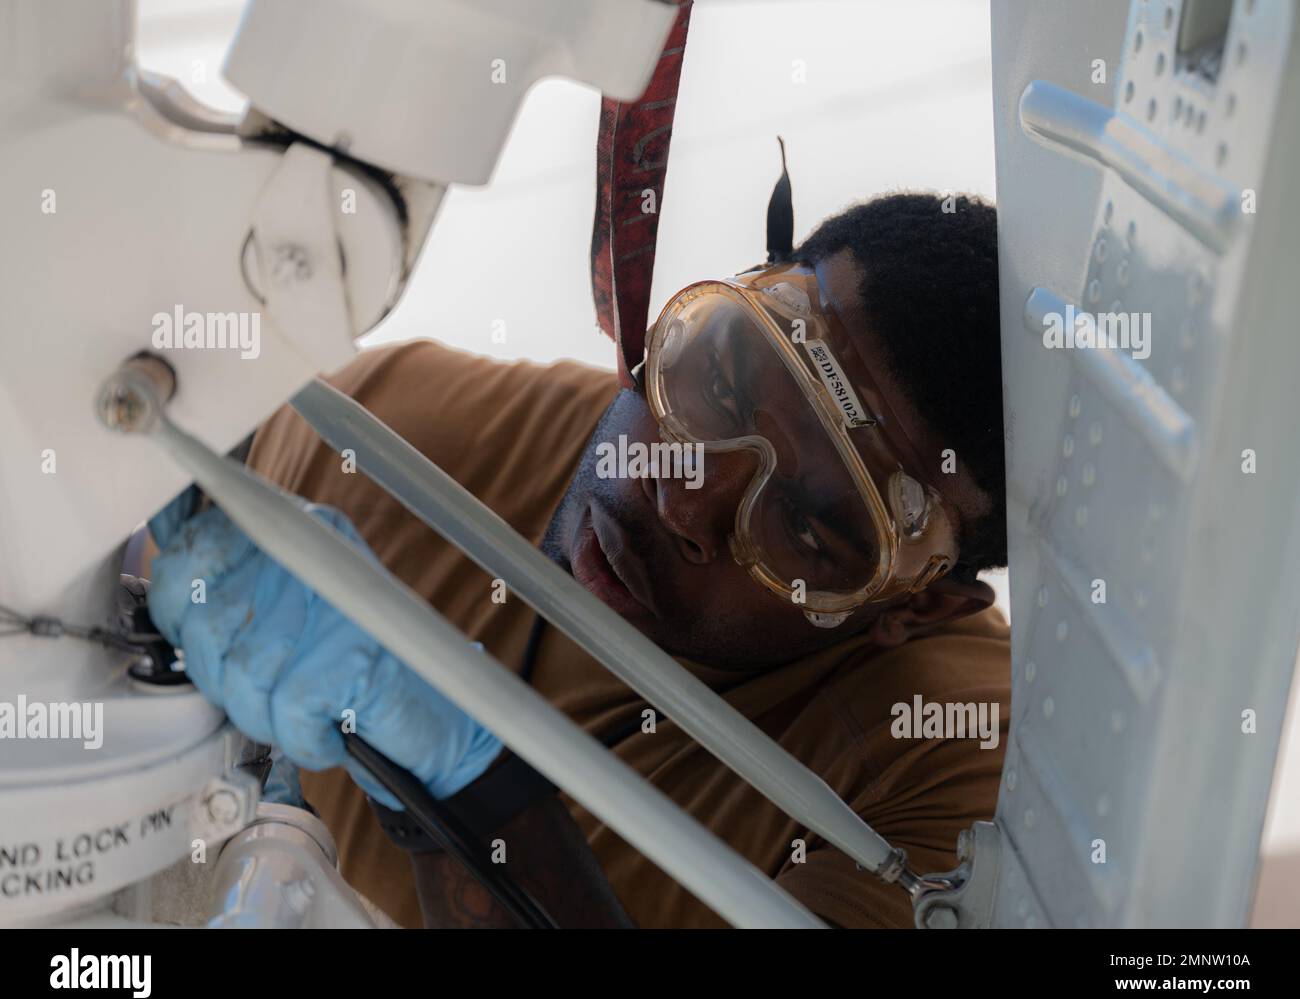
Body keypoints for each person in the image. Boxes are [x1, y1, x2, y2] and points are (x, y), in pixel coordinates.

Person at [147, 192, 1011, 928]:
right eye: (720, 379)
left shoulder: (956, 780)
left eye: (812, 525)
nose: (684, 498)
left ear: (919, 607)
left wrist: (471, 781)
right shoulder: (395, 439)